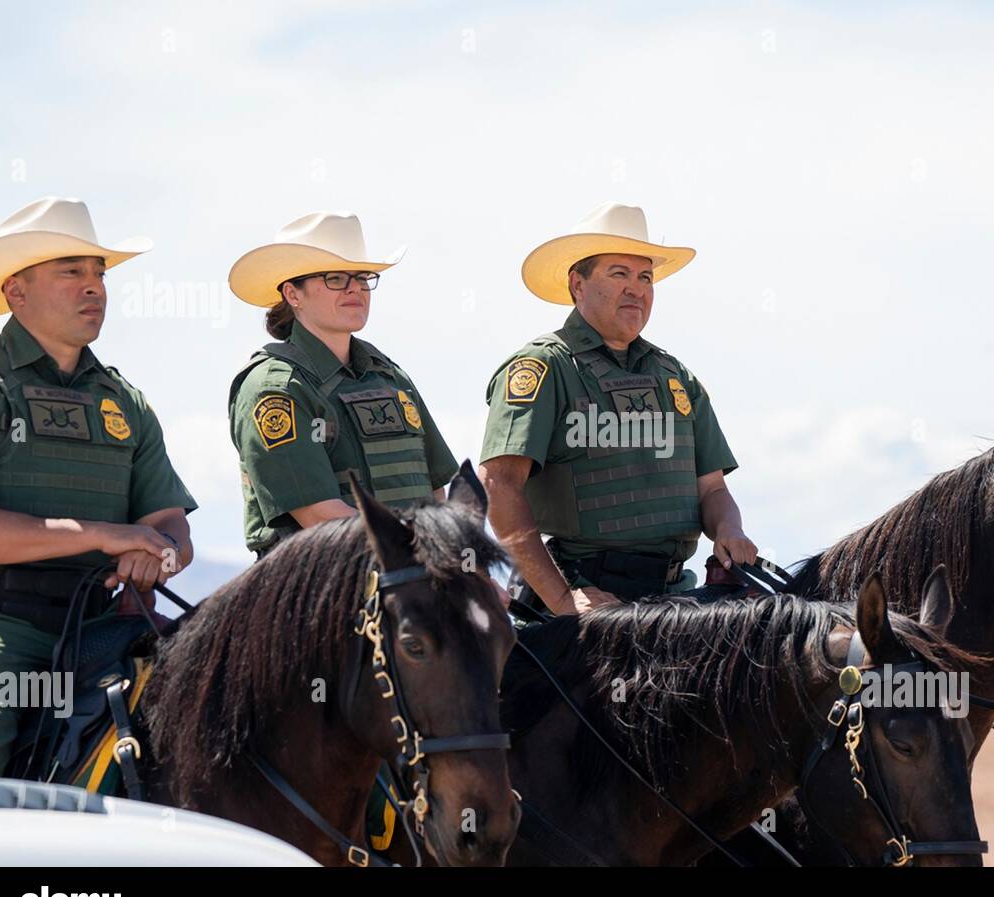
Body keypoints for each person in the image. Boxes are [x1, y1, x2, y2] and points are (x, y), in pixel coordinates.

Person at [0, 197, 197, 777]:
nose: (94, 287)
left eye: (99, 273)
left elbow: (171, 523)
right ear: (15, 291)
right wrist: (104, 535)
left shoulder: (125, 401)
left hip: (105, 627)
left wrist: (156, 555)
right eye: (72, 271)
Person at [479, 202, 757, 615]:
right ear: (578, 284)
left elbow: (712, 489)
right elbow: (499, 485)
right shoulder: (545, 366)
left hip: (675, 599)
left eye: (645, 277)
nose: (636, 288)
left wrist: (729, 529)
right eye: (619, 274)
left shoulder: (676, 376)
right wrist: (562, 600)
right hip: (580, 598)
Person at [226, 212, 460, 558]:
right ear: (293, 293)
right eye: (336, 278)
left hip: (413, 581)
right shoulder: (275, 387)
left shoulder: (390, 377)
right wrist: (420, 553)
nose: (356, 288)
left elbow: (435, 488)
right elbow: (318, 514)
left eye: (362, 277)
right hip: (321, 587)